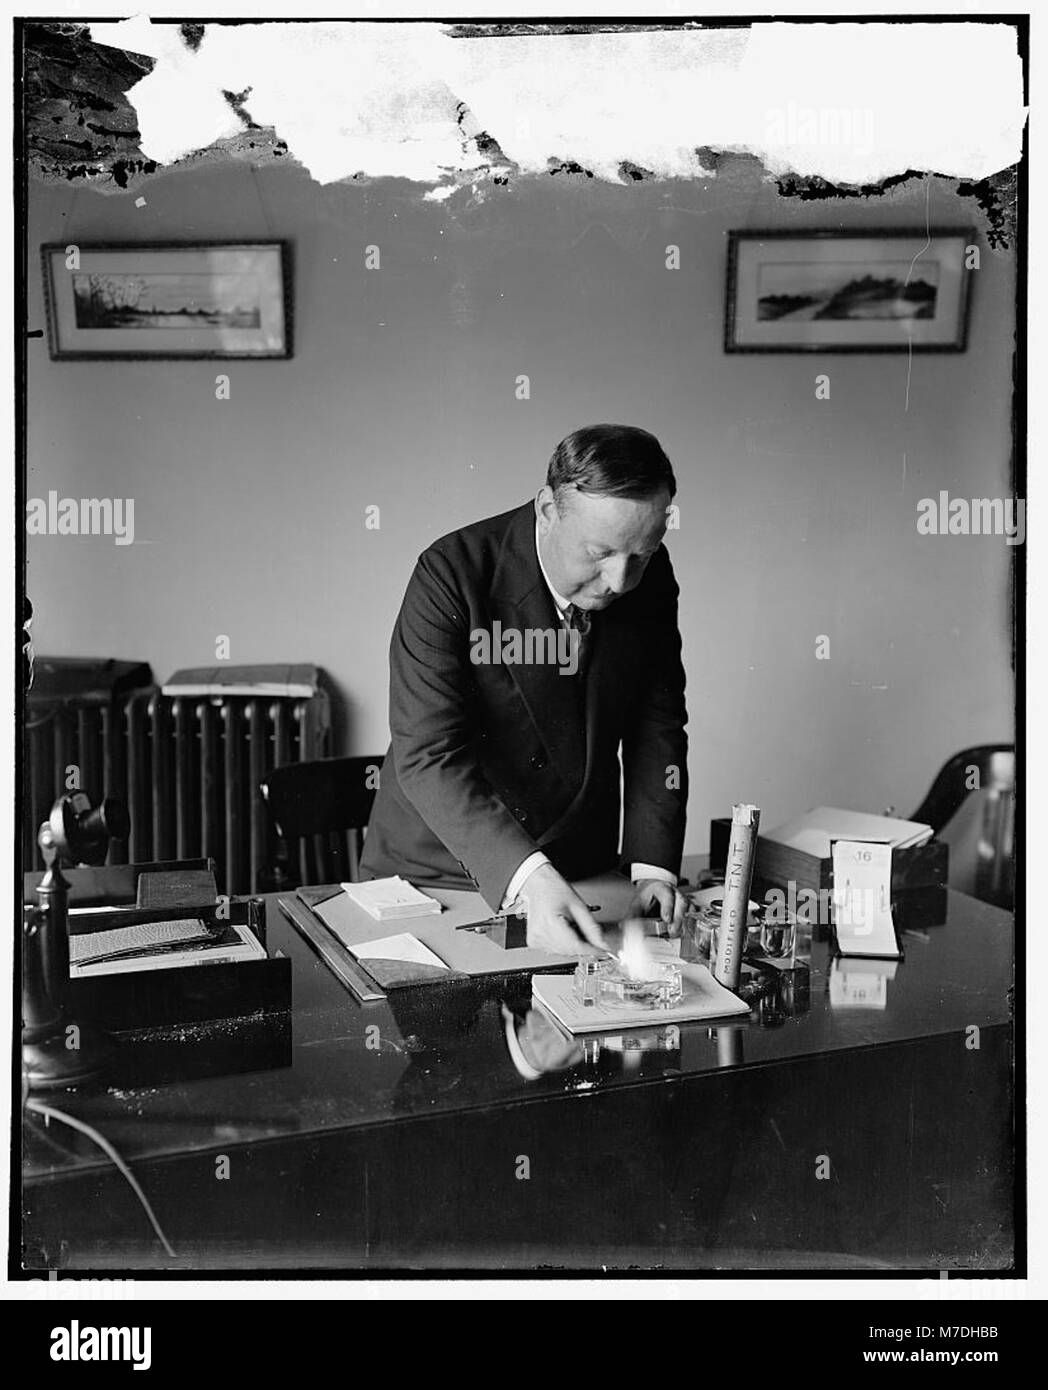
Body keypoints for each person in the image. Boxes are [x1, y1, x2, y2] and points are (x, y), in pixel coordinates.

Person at [360, 423, 689, 953]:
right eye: (599, 552)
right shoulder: (450, 573)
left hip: (583, 867)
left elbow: (658, 723)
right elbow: (428, 755)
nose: (621, 580)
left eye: (643, 553)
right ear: (547, 510)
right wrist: (530, 879)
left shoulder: (647, 575)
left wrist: (654, 867)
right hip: (441, 872)